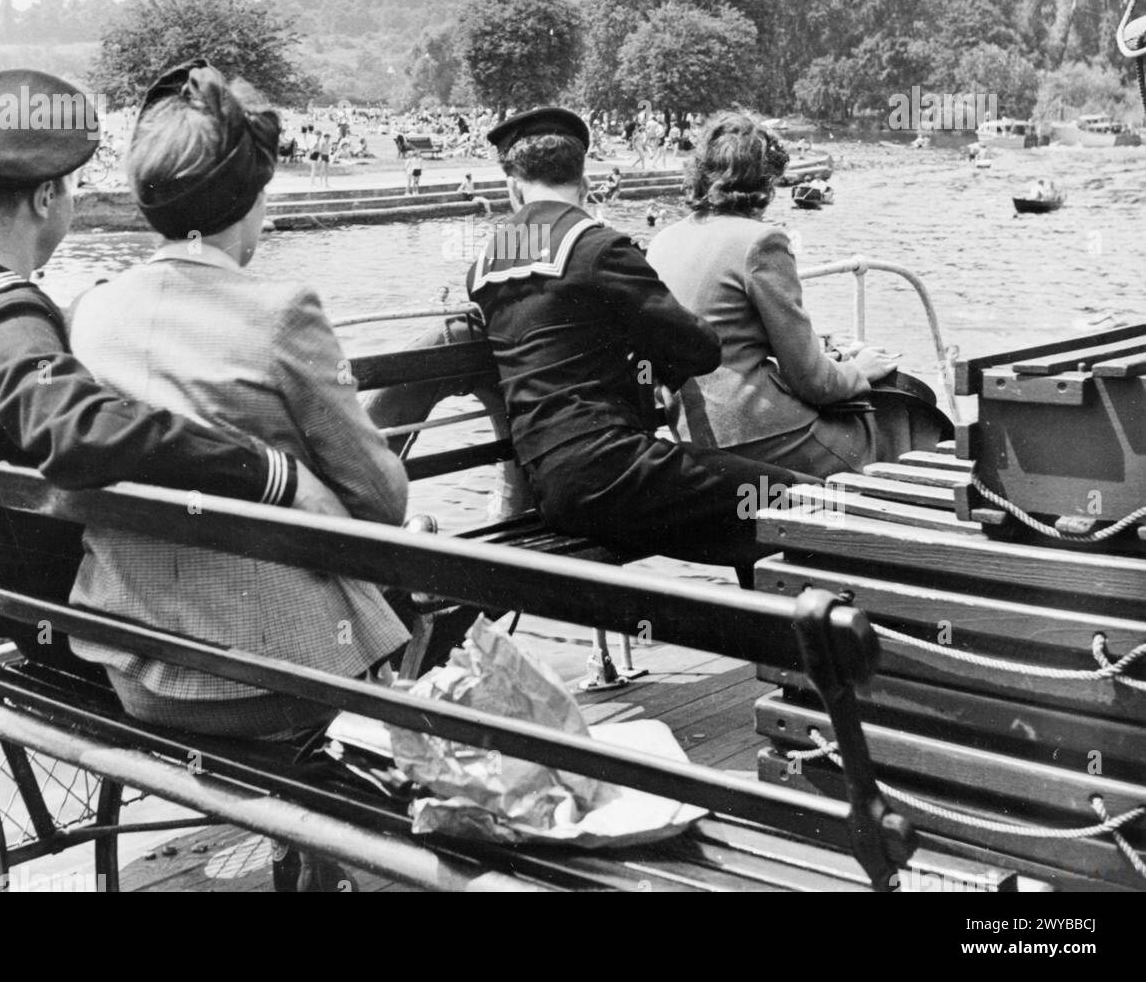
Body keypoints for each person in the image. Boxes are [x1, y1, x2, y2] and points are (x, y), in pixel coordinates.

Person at [0, 70, 347, 674]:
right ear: (45, 198)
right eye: (72, 188)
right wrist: (273, 473)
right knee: (367, 586)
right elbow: (84, 432)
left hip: (1, 609)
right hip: (91, 632)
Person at [67, 62, 410, 741]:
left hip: (132, 665)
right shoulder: (282, 313)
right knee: (418, 585)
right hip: (276, 680)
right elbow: (382, 499)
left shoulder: (91, 310)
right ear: (251, 199)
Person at [465, 106, 814, 575]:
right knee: (812, 503)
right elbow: (701, 350)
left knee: (746, 518)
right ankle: (806, 640)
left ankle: (775, 632)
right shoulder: (598, 248)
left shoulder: (484, 268)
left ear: (513, 187)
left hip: (552, 489)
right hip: (617, 471)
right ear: (585, 183)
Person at [647, 113, 922, 479]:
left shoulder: (664, 240)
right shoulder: (761, 242)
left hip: (695, 431)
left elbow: (729, 335)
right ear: (765, 183)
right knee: (906, 418)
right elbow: (812, 381)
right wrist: (858, 370)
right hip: (760, 434)